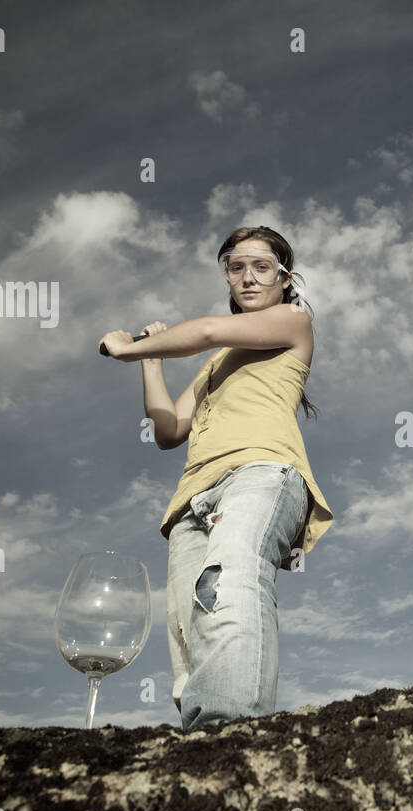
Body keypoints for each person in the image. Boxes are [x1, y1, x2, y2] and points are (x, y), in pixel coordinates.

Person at [97, 225, 335, 729]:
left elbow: (205, 329)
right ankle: (198, 740)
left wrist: (129, 348)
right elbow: (169, 429)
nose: (248, 277)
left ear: (285, 278)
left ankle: (232, 731)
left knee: (228, 582)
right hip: (190, 501)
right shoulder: (213, 363)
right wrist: (152, 361)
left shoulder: (293, 320)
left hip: (260, 471)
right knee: (188, 623)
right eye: (236, 267)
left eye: (261, 266)